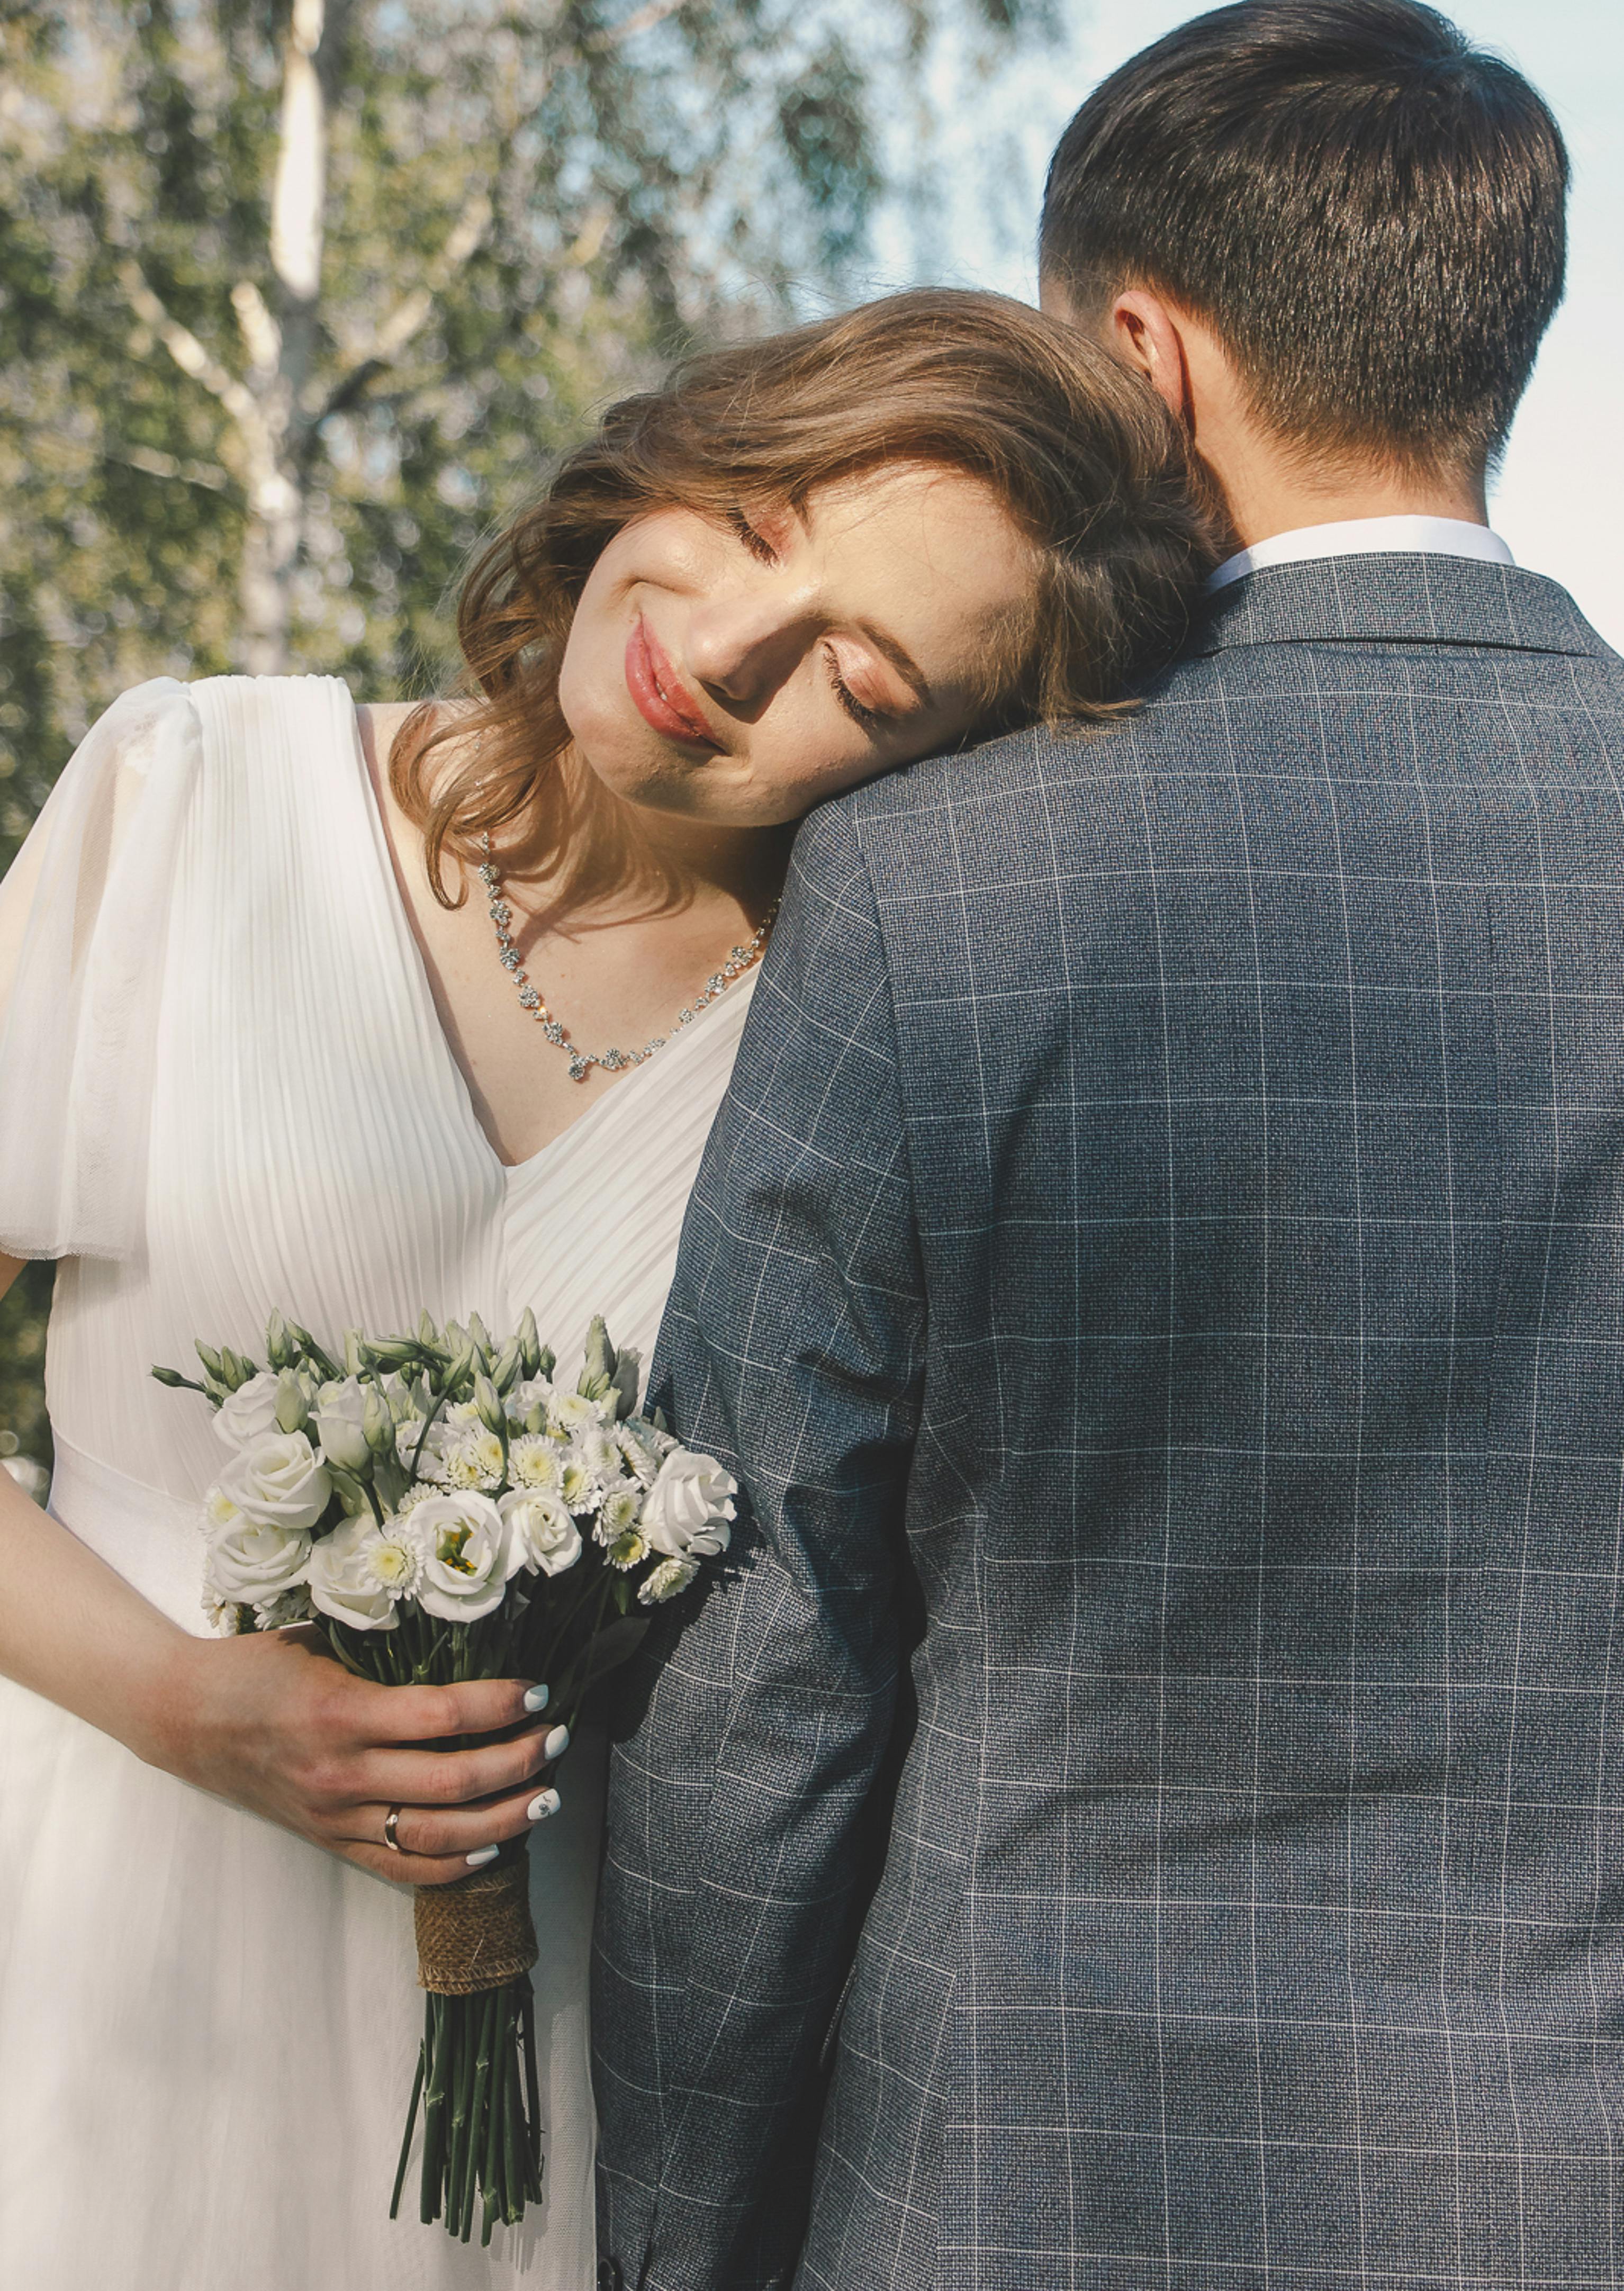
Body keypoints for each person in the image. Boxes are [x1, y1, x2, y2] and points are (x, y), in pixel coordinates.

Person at [0, 291, 1208, 2291]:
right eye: (759, 518)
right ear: (690, 442)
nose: (720, 649)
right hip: (76, 1936)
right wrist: (186, 1701)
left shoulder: (861, 1059)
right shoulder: (195, 784)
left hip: (538, 2048)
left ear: (947, 763)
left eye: (864, 676)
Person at [593, 0, 1624, 2290]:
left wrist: (664, 2234)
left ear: (1143, 361)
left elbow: (770, 1639)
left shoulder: (938, 874)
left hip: (1005, 2180)